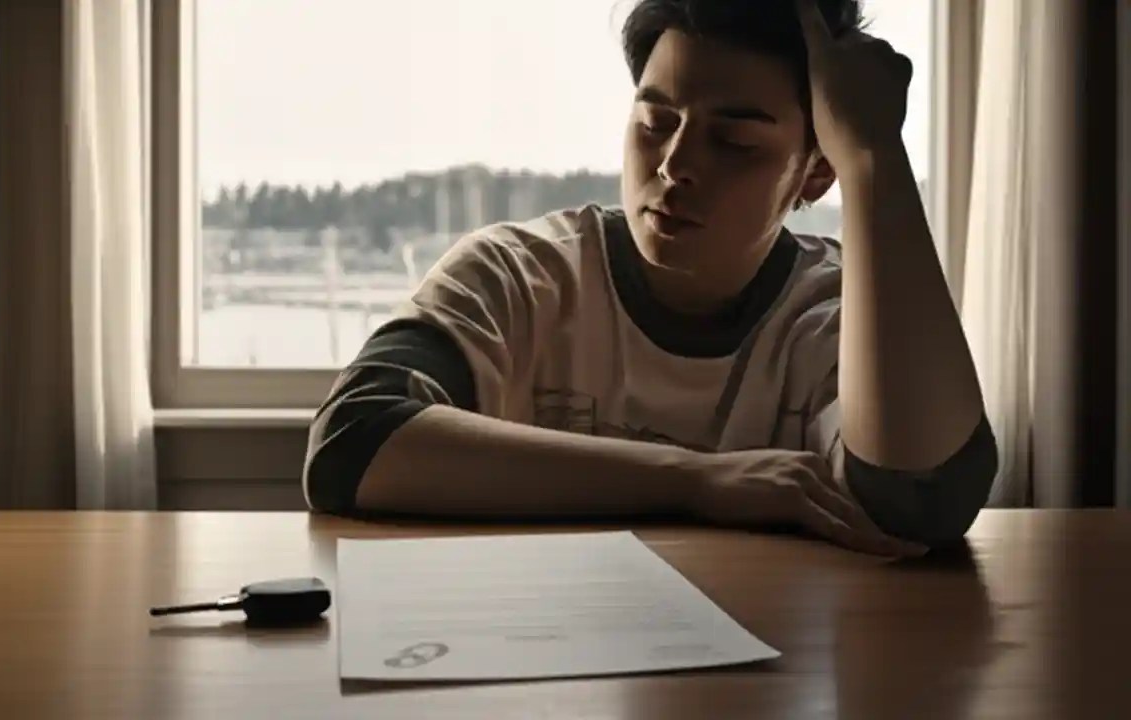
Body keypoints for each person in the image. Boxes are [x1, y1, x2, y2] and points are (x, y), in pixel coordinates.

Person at [302, 0, 997, 555]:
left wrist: (873, 154)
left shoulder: (835, 317)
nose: (674, 165)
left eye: (734, 140)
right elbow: (350, 445)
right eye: (654, 121)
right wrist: (698, 481)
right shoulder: (516, 275)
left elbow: (920, 502)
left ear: (815, 172)